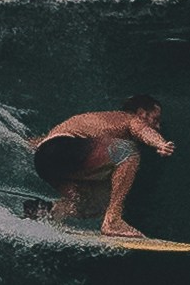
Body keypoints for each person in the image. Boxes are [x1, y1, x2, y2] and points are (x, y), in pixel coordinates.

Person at [26, 100, 174, 240]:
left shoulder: (97, 121)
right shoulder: (129, 118)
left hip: (44, 162)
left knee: (94, 204)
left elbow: (41, 144)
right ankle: (113, 221)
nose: (158, 126)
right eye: (155, 119)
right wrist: (160, 143)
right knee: (127, 151)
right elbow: (142, 130)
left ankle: (45, 212)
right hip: (63, 149)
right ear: (142, 112)